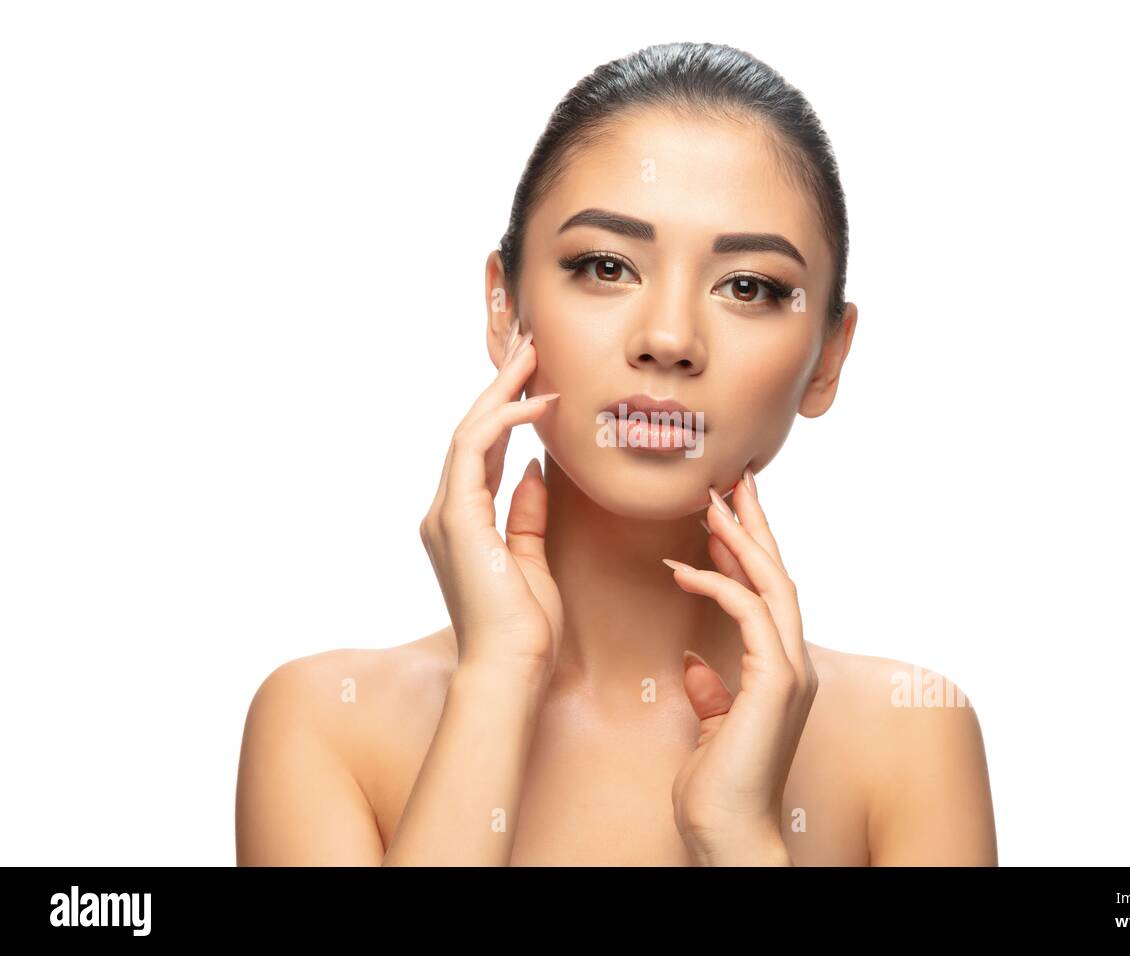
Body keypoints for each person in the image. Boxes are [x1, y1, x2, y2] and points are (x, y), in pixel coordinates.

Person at [235, 41, 997, 866]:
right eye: (606, 266)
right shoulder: (321, 723)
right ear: (504, 309)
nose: (668, 339)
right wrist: (497, 680)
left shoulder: (913, 738)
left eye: (747, 286)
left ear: (829, 358)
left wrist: (740, 839)